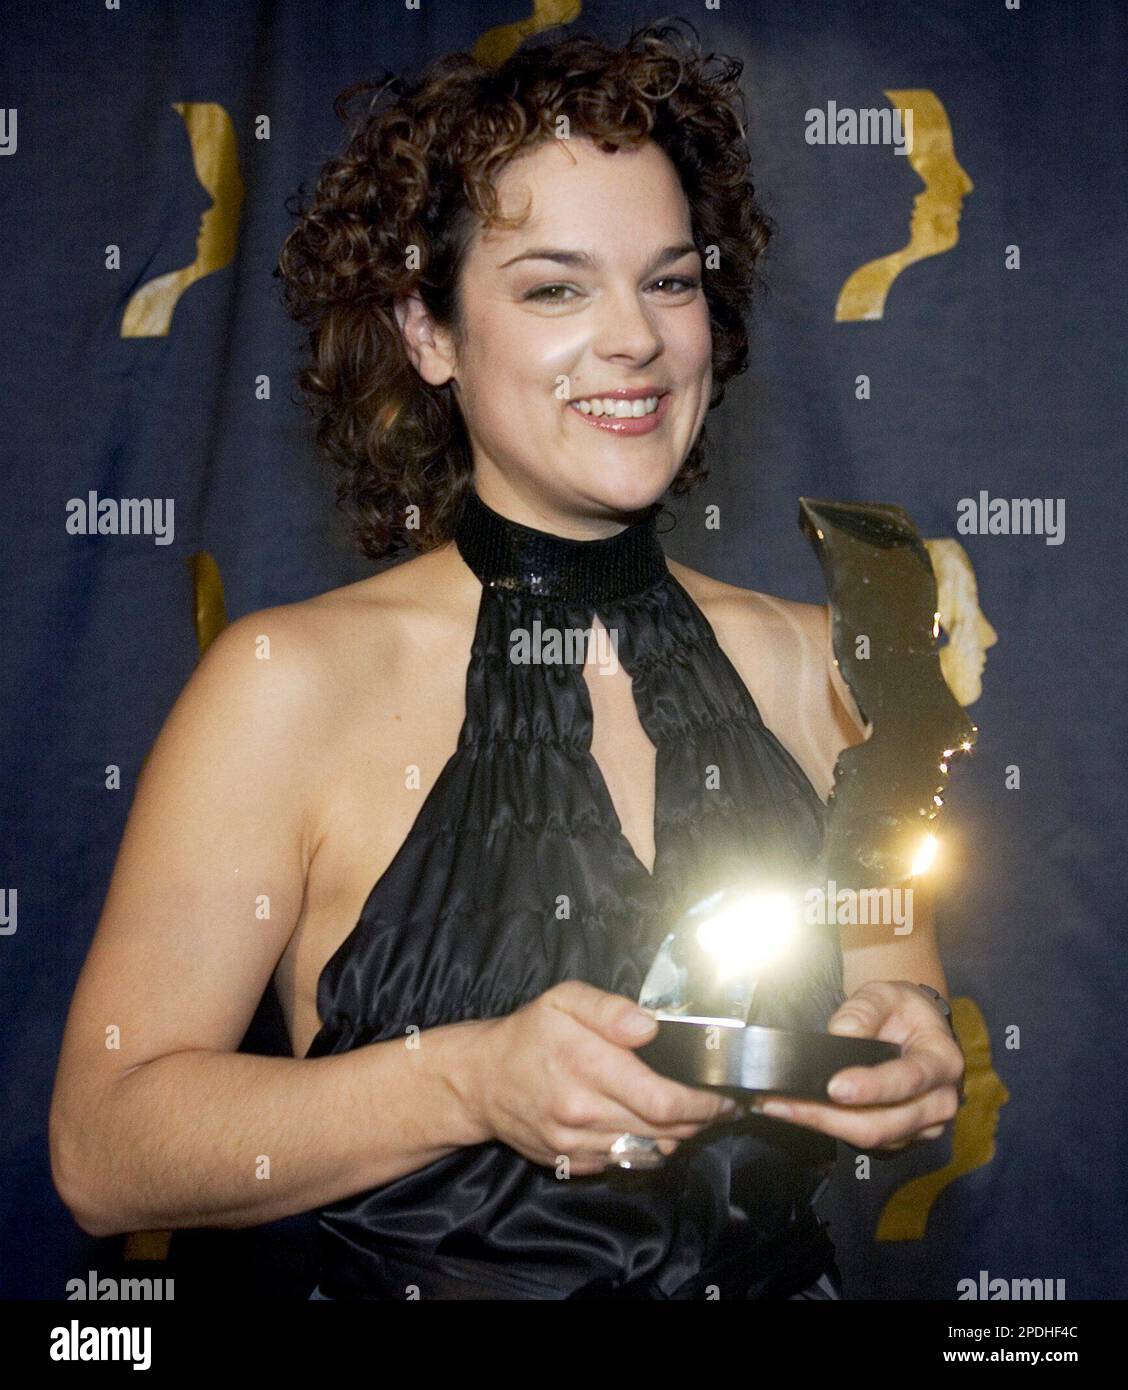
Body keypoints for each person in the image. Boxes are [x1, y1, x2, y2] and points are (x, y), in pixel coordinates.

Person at [49, 20, 964, 1300]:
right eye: (553, 287)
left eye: (669, 280)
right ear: (429, 332)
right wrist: (468, 1078)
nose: (634, 340)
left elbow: (891, 1005)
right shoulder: (286, 684)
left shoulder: (821, 659)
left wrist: (905, 1054)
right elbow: (106, 1151)